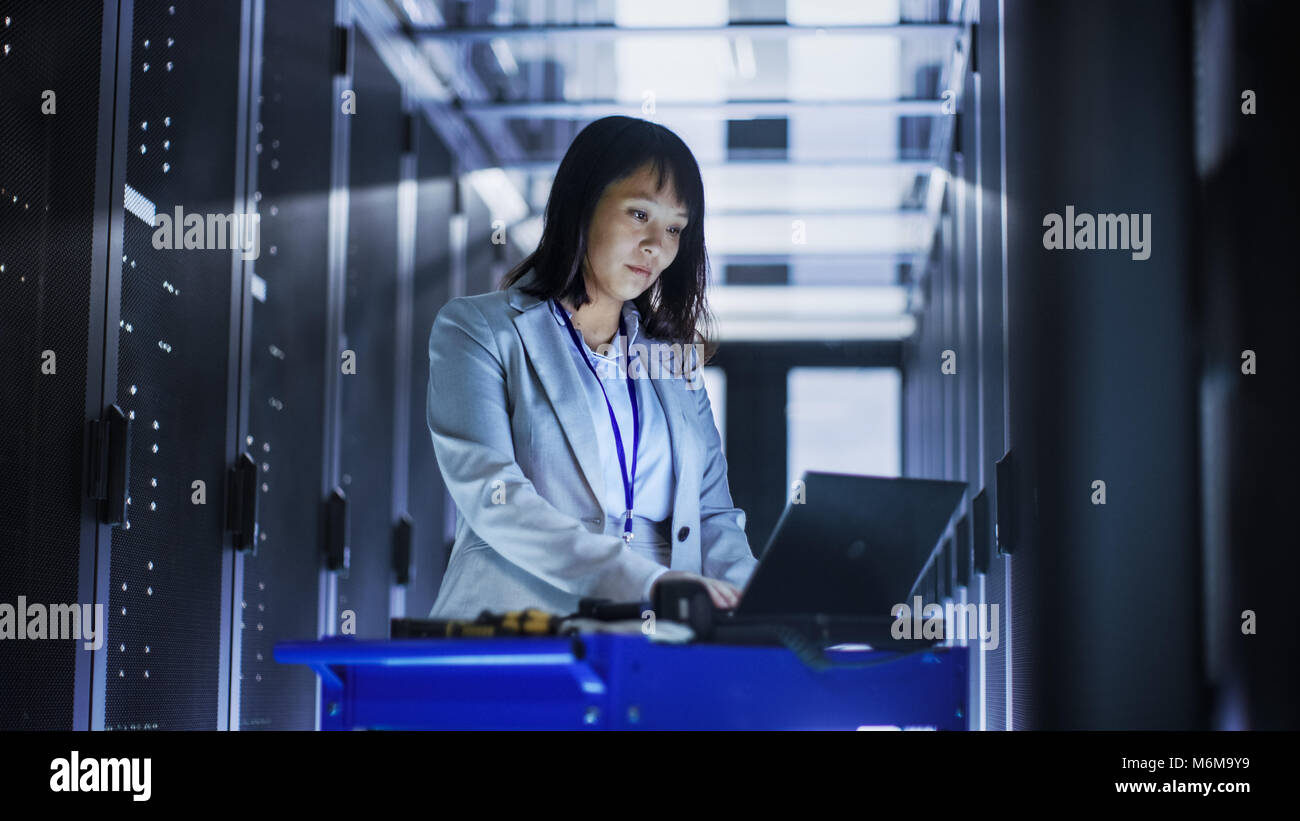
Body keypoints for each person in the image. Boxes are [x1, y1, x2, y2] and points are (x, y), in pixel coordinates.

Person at [426, 115, 756, 619]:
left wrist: (763, 602)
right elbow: (496, 498)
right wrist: (648, 582)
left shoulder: (673, 363)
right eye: (639, 214)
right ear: (582, 206)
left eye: (673, 228)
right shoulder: (478, 330)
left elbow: (712, 515)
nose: (656, 246)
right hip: (520, 629)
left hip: (655, 639)